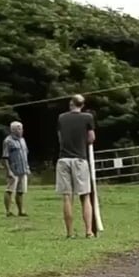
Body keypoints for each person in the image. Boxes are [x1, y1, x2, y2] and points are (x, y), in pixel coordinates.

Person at [56, 95, 95, 239]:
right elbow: (91, 138)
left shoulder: (61, 118)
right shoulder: (88, 117)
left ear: (71, 103)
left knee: (67, 197)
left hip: (63, 159)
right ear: (82, 105)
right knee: (85, 196)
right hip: (80, 159)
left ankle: (70, 233)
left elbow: (60, 139)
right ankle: (89, 231)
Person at [1, 120, 30, 217]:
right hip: (13, 170)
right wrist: (8, 170)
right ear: (12, 130)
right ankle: (8, 211)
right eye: (18, 129)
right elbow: (5, 157)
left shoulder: (22, 140)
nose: (20, 130)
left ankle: (21, 210)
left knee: (21, 191)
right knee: (10, 190)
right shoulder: (8, 141)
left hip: (23, 169)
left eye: (21, 128)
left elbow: (25, 153)